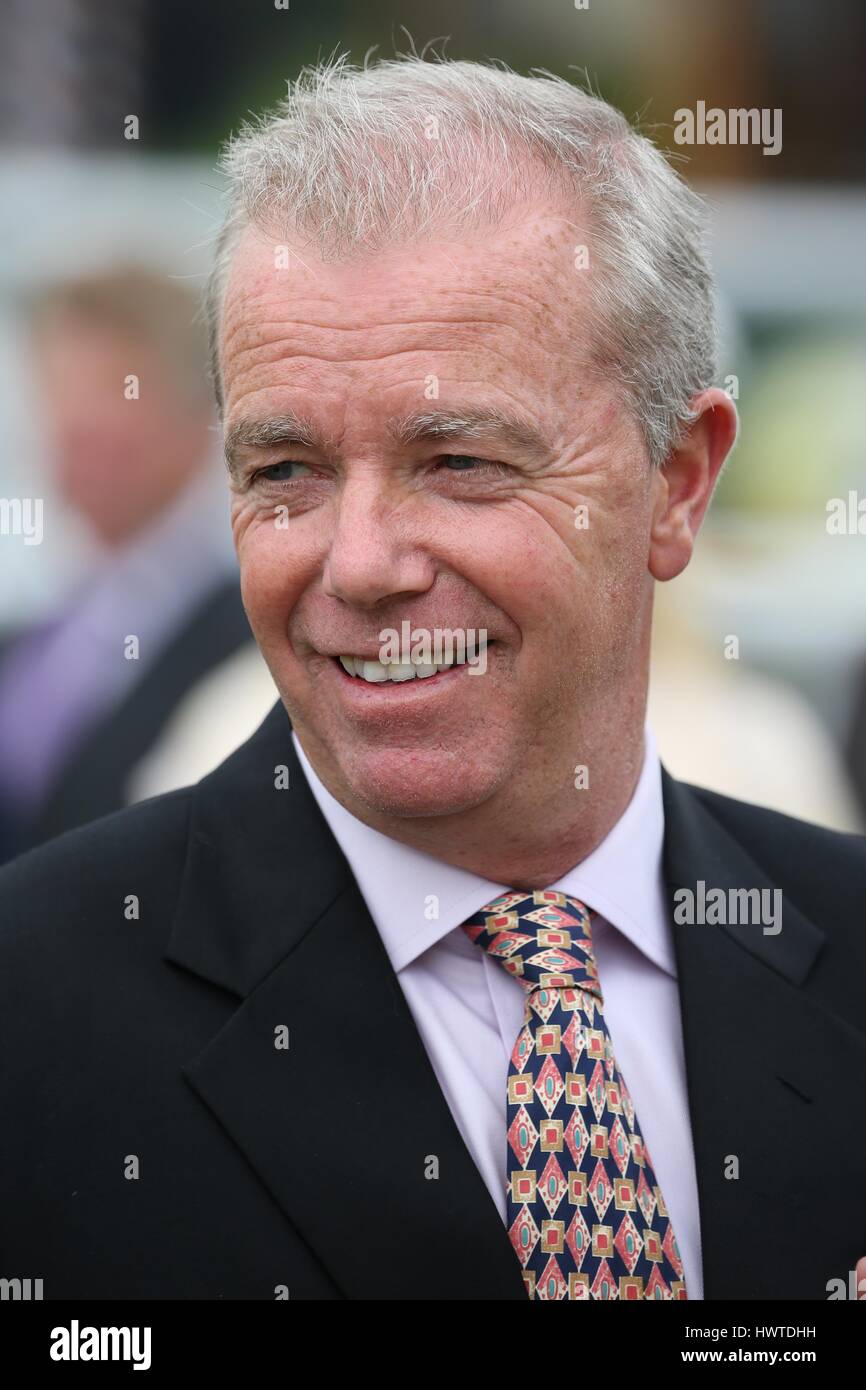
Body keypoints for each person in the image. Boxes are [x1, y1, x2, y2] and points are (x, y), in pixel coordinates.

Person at [1, 54, 864, 1303]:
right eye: (285, 470)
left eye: (456, 460)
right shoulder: (35, 1021)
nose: (357, 565)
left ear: (676, 481)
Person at [0, 267, 251, 864]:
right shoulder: (42, 628)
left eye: (113, 389)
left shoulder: (242, 634)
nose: (75, 424)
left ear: (198, 416)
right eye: (60, 389)